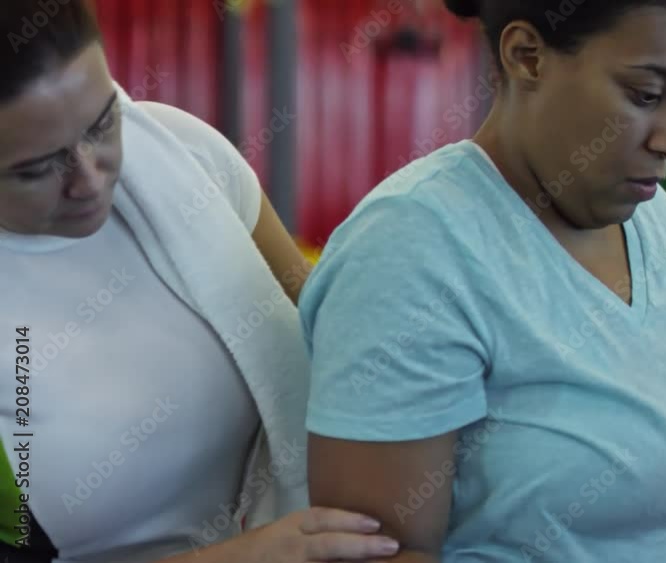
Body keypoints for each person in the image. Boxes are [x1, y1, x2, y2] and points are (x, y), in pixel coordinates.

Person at [303, 0, 666, 561]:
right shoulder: (412, 248)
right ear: (526, 56)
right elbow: (375, 554)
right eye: (643, 95)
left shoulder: (655, 218)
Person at [0, 1, 399, 561]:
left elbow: (325, 332)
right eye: (37, 168)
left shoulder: (182, 154)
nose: (89, 180)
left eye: (103, 123)